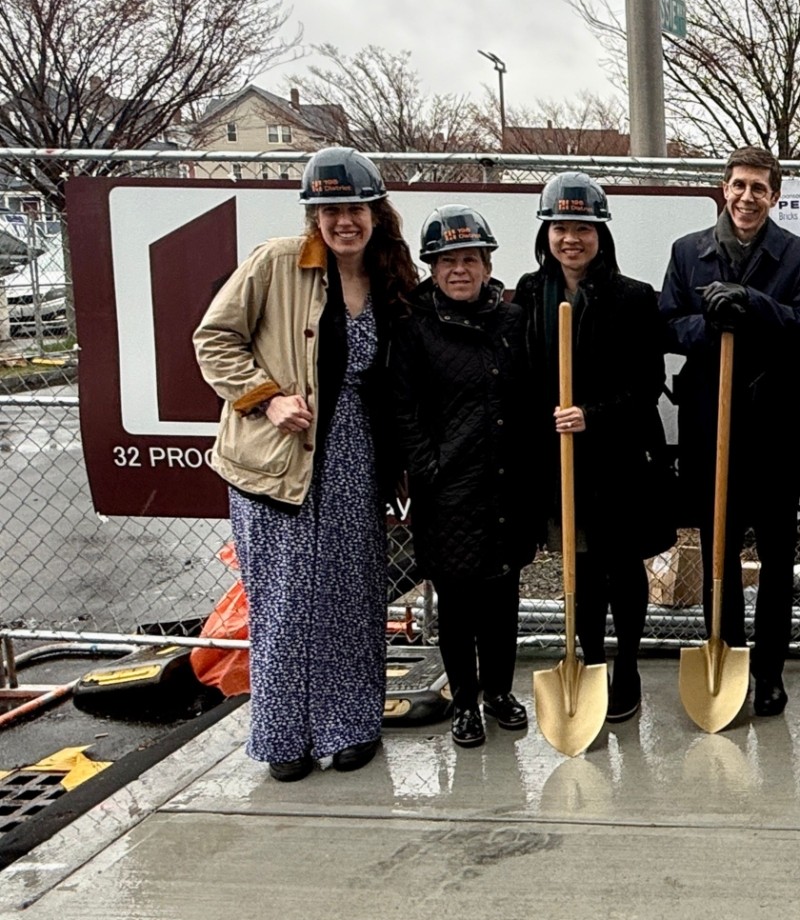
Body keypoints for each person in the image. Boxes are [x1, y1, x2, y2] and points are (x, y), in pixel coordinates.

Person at [193, 147, 415, 782]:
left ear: (375, 212)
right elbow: (214, 338)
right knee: (285, 599)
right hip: (277, 457)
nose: (344, 221)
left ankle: (352, 725)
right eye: (329, 210)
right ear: (312, 215)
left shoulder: (388, 276)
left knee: (351, 593)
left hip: (356, 456)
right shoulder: (276, 264)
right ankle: (285, 735)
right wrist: (265, 399)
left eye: (355, 208)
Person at [662, 146, 800, 717]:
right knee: (719, 554)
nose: (747, 197)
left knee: (779, 559)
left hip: (774, 428)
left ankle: (771, 672)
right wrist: (710, 322)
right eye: (738, 186)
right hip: (712, 425)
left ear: (774, 195)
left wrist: (751, 303)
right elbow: (668, 325)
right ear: (723, 190)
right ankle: (725, 658)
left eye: (759, 187)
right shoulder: (689, 253)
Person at [514, 172, 677, 724]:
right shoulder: (532, 293)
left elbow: (647, 383)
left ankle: (626, 665)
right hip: (559, 461)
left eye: (583, 228)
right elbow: (522, 374)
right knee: (579, 571)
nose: (571, 239)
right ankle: (588, 660)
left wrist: (593, 414)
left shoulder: (632, 298)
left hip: (618, 459)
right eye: (561, 227)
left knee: (621, 569)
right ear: (547, 233)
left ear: (600, 235)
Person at [390, 205, 536, 748]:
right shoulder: (415, 326)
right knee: (456, 605)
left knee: (503, 599)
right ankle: (466, 702)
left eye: (469, 260)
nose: (459, 270)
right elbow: (401, 407)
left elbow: (528, 395)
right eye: (447, 260)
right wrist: (427, 468)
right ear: (431, 266)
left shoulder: (511, 319)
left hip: (506, 482)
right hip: (448, 490)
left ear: (486, 264)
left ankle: (499, 692)